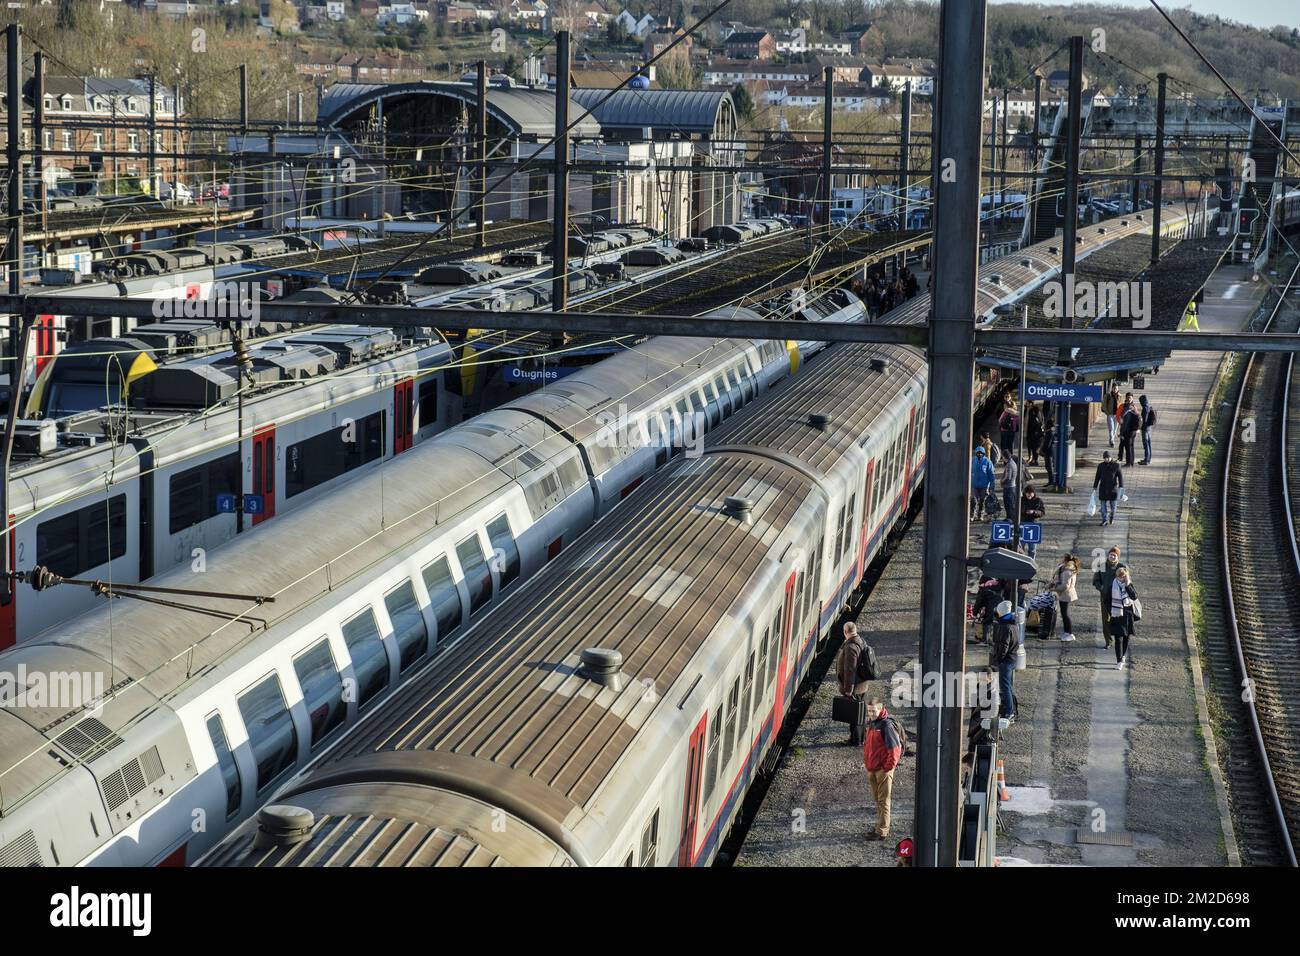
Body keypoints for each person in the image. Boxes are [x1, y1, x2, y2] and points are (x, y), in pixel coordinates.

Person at [862, 698, 903, 840]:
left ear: (881, 709)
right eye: (869, 711)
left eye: (874, 711)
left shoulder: (886, 725)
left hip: (882, 770)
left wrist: (887, 768)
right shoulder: (872, 723)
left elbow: (895, 750)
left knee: (883, 800)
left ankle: (882, 831)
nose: (871, 713)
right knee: (878, 800)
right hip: (872, 768)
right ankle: (880, 827)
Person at [836, 622, 871, 746]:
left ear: (845, 632)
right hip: (861, 684)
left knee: (854, 716)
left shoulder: (851, 647)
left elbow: (850, 670)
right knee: (860, 714)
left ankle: (856, 740)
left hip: (855, 686)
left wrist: (848, 690)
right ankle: (860, 738)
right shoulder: (860, 641)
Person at [1092, 546, 1127, 649]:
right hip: (1105, 597)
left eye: (1114, 555)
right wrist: (1101, 587)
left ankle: (1118, 640)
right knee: (1105, 620)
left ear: (1118, 557)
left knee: (1117, 619)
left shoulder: (1122, 567)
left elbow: (1127, 581)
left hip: (1118, 599)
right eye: (1111, 555)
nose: (1112, 557)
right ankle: (1108, 641)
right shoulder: (1102, 566)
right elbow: (1096, 581)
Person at [991, 600, 1020, 723]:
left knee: (1005, 687)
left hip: (1006, 661)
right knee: (1008, 686)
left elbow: (1003, 646)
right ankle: (1011, 709)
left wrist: (998, 658)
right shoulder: (1013, 625)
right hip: (1012, 658)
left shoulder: (1004, 627)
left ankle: (1009, 712)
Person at [1109, 565, 1138, 669]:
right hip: (1117, 614)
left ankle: (1123, 655)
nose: (1121, 578)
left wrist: (1127, 585)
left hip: (1128, 614)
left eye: (1123, 576)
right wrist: (1111, 611)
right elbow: (1107, 599)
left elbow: (1134, 596)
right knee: (1118, 638)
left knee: (1126, 637)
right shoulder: (1113, 585)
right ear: (1116, 576)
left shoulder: (1129, 584)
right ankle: (1119, 660)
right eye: (1119, 576)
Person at [1050, 553, 1079, 642]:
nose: (1061, 560)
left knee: (1065, 614)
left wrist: (1054, 588)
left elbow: (1065, 585)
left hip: (1066, 594)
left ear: (1066, 560)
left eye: (1063, 559)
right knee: (1064, 614)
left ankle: (1070, 633)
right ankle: (1067, 632)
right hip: (1065, 594)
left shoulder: (1067, 571)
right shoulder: (1068, 568)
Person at [1093, 450, 1124, 525]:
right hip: (1103, 488)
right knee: (1103, 506)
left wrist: (1121, 487)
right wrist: (1095, 486)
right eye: (1105, 458)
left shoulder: (1116, 466)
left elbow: (1120, 477)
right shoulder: (1101, 466)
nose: (1106, 459)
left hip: (1113, 489)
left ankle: (1112, 516)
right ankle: (1104, 519)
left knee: (1113, 507)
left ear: (1111, 457)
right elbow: (1097, 476)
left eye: (1107, 458)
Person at [1020, 485, 1045, 558]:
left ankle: (1031, 563)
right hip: (1023, 524)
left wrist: (1034, 512)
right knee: (1020, 546)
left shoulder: (1038, 500)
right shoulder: (1021, 500)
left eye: (1031, 493)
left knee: (1032, 548)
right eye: (1027, 493)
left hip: (1033, 525)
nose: (1029, 494)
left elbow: (1042, 512)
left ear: (1034, 493)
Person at [971, 446, 995, 520]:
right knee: (973, 500)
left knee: (982, 501)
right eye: (978, 453)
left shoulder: (988, 462)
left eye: (981, 453)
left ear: (983, 454)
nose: (979, 454)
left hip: (984, 486)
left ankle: (980, 515)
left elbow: (991, 475)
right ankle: (972, 515)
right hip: (974, 485)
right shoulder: (972, 461)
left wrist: (992, 486)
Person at [1119, 397, 1142, 467]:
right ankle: (1131, 462)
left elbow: (1124, 423)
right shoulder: (1134, 409)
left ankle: (1128, 463)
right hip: (1134, 431)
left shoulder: (1127, 411)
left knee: (1128, 447)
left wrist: (1122, 433)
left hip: (1128, 431)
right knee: (1131, 446)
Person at [1001, 452, 1020, 524]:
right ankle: (1010, 517)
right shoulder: (1013, 463)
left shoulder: (1009, 465)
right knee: (1011, 503)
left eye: (1003, 457)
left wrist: (1001, 481)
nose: (1002, 459)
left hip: (1009, 487)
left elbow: (1008, 477)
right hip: (1012, 487)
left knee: (1009, 504)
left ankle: (1010, 518)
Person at [1138, 394, 1156, 465]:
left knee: (1146, 444)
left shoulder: (1145, 408)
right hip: (1149, 428)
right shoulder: (1148, 407)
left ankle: (1146, 460)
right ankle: (1149, 458)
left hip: (1145, 428)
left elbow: (1144, 420)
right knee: (1149, 443)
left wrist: (1140, 426)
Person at [1101, 383, 1121, 448]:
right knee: (1111, 429)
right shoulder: (1108, 395)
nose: (1115, 389)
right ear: (1112, 388)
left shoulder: (1120, 396)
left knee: (1115, 430)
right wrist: (1107, 413)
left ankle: (1111, 440)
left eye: (1117, 388)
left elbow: (1122, 405)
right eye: (1114, 388)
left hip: (1117, 415)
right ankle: (1112, 441)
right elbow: (1104, 405)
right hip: (1110, 414)